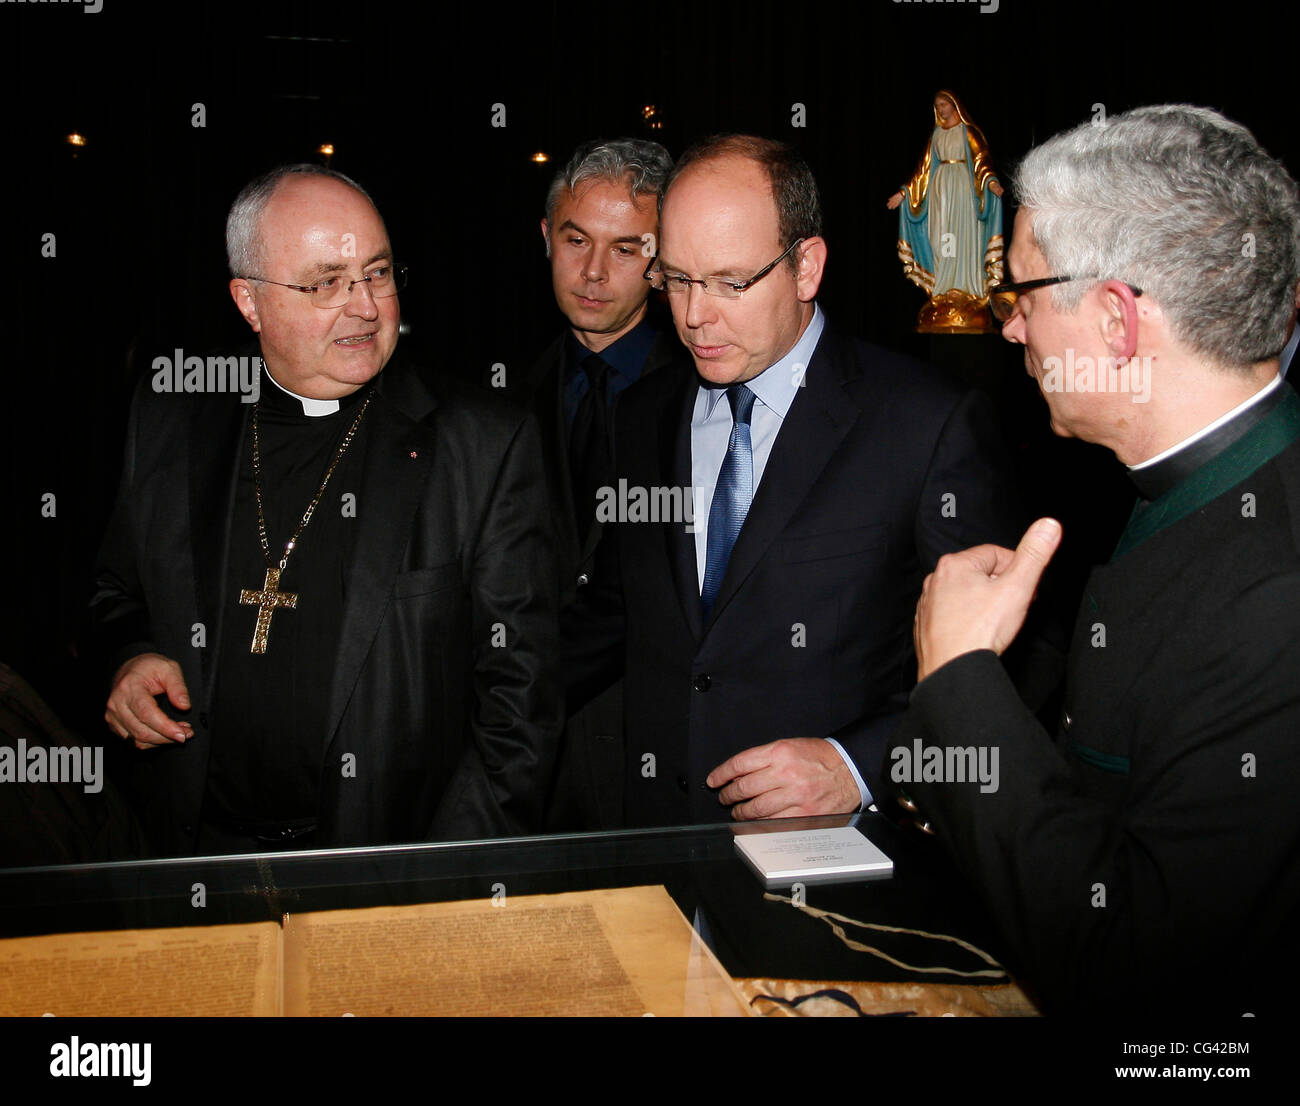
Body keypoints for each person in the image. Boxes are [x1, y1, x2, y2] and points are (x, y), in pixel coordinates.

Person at [895, 105, 1300, 1015]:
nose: (1010, 332)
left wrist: (959, 678)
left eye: (1023, 299)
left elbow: (1140, 968)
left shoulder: (1277, 586)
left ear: (1116, 320)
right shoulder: (1184, 482)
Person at [90, 164, 561, 855]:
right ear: (248, 302)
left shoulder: (483, 443)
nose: (366, 306)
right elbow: (113, 591)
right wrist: (129, 658)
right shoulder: (172, 419)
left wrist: (441, 882)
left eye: (377, 273)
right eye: (325, 283)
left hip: (382, 871)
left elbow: (522, 708)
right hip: (186, 854)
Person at [566, 135, 1029, 827]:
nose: (696, 315)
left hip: (840, 863)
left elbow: (1006, 669)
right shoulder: (643, 414)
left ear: (806, 267)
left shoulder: (924, 423)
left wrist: (860, 766)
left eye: (730, 282)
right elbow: (614, 613)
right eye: (679, 280)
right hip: (659, 840)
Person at [512, 139, 688, 829]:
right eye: (576, 239)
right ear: (546, 238)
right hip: (532, 772)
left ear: (663, 261)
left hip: (657, 760)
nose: (592, 272)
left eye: (626, 249)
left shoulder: (707, 396)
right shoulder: (503, 401)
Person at [887, 90, 1004, 331]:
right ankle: (943, 288)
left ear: (954, 105)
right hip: (940, 193)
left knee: (961, 238)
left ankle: (964, 288)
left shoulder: (968, 132)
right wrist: (904, 193)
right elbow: (924, 170)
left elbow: (981, 161)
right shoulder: (937, 134)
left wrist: (991, 182)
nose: (940, 109)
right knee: (941, 238)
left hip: (962, 190)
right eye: (937, 105)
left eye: (944, 104)